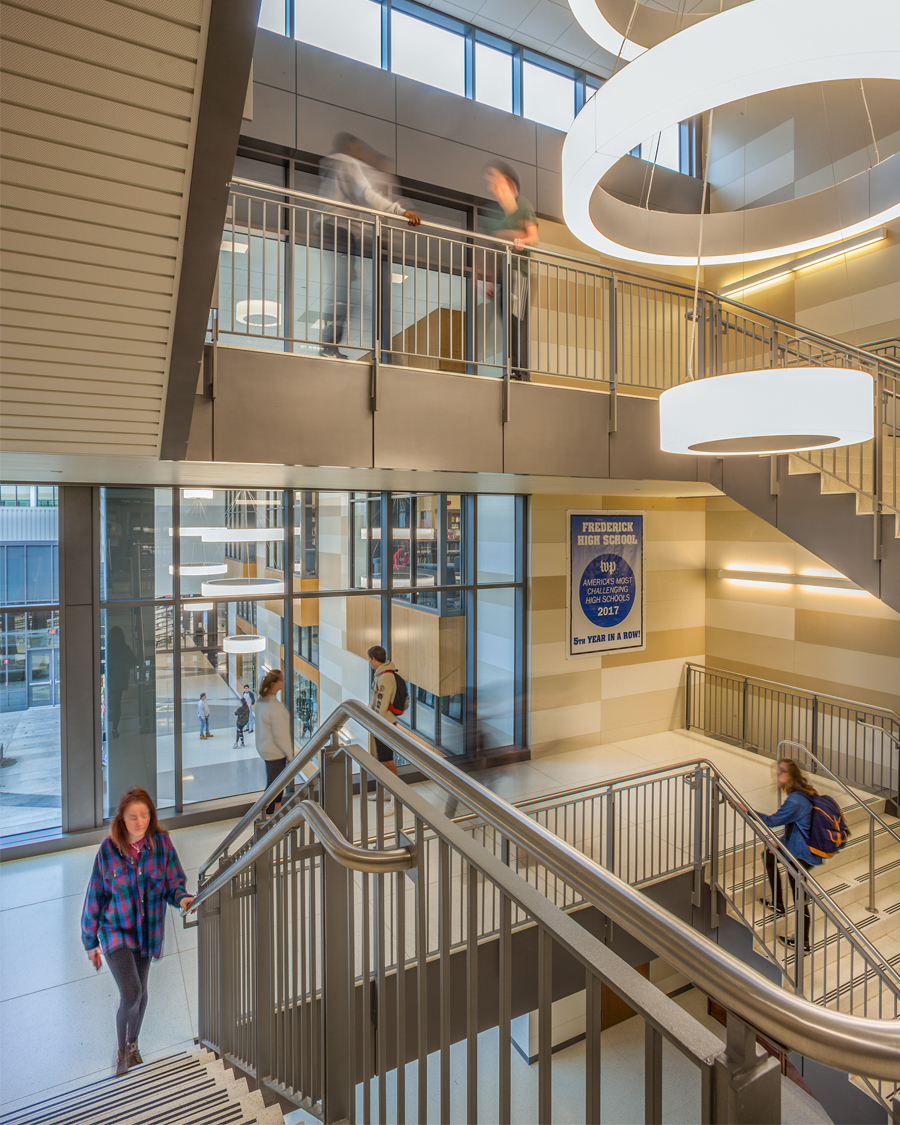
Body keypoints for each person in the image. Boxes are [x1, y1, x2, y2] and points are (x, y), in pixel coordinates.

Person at [81, 787, 193, 1076]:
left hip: (146, 930)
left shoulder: (162, 844)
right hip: (115, 929)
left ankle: (133, 1045)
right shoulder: (108, 850)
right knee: (131, 993)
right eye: (133, 817)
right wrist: (90, 941)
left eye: (145, 815)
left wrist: (181, 897)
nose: (140, 822)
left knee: (142, 995)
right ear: (122, 819)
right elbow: (95, 896)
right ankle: (121, 1053)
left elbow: (173, 883)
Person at [318, 133, 421, 358]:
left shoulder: (332, 166)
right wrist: (400, 212)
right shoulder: (348, 164)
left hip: (333, 229)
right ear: (350, 147)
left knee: (341, 287)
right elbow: (365, 195)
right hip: (340, 229)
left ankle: (331, 345)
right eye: (357, 148)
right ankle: (330, 346)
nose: (360, 153)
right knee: (342, 293)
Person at [736, 759, 823, 953]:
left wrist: (746, 810)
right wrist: (781, 841)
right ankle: (778, 904)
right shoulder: (802, 791)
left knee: (800, 897)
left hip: (801, 855)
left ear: (789, 775)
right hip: (799, 846)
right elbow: (800, 824)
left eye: (779, 773)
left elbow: (771, 820)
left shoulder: (796, 799)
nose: (776, 777)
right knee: (769, 855)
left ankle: (803, 942)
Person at [481, 163, 539, 380]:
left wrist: (522, 241)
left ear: (511, 186)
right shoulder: (498, 216)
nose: (496, 189)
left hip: (520, 274)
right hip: (503, 277)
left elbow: (534, 238)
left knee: (517, 323)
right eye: (493, 185)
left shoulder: (522, 205)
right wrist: (489, 281)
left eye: (499, 183)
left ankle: (520, 372)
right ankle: (511, 370)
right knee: (508, 325)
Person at [254, 668, 294, 817]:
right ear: (274, 684)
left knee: (276, 781)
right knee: (274, 785)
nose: (284, 681)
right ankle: (268, 814)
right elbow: (281, 735)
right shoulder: (274, 707)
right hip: (274, 750)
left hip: (265, 747)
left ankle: (276, 809)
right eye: (282, 679)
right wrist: (290, 755)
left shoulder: (261, 701)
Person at [367, 645, 401, 810]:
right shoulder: (381, 673)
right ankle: (387, 791)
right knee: (382, 760)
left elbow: (383, 701)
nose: (369, 662)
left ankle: (396, 797)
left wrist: (375, 718)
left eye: (370, 659)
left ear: (374, 659)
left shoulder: (386, 676)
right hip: (380, 722)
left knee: (388, 761)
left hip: (385, 724)